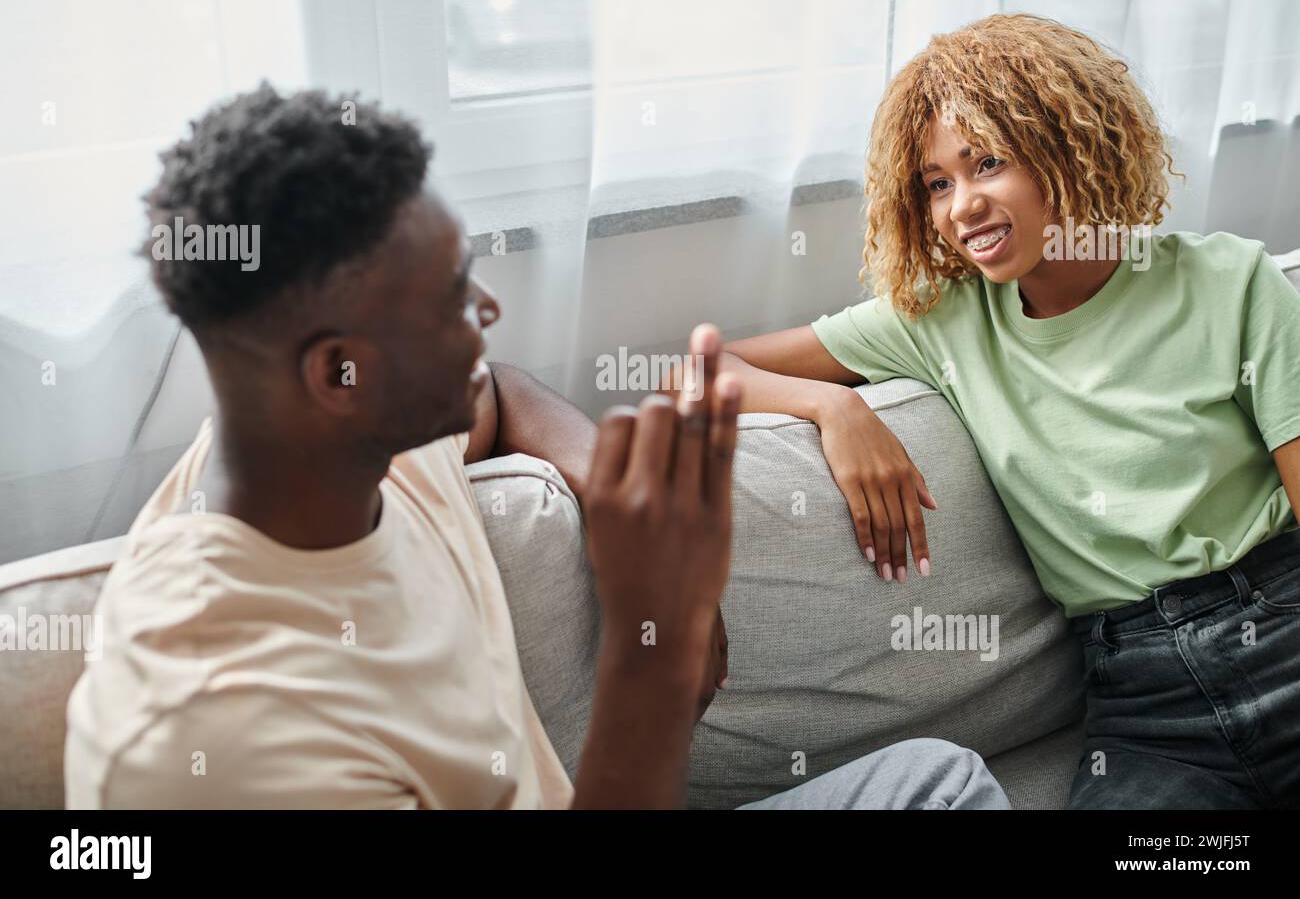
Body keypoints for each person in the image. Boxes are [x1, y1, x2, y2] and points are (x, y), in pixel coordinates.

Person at [64, 84, 1008, 810]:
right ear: (337, 371)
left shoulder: (343, 446)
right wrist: (659, 636)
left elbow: (500, 390)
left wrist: (606, 490)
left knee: (938, 783)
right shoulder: (212, 729)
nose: (487, 312)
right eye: (449, 296)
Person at [718, 14, 1300, 809]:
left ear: (1068, 143)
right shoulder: (944, 321)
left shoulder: (1233, 282)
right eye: (937, 183)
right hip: (1148, 705)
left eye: (987, 162)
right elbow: (700, 368)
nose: (961, 207)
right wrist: (830, 407)